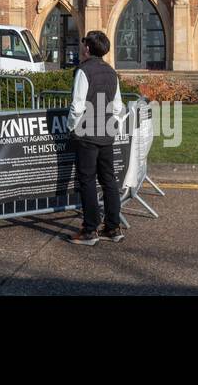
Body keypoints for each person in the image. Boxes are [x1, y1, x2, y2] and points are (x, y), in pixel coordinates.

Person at [66, 30, 126, 246]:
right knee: (109, 180)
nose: (81, 48)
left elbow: (77, 105)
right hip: (107, 133)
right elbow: (118, 106)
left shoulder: (83, 71)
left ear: (88, 48)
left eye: (83, 45)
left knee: (88, 180)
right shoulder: (111, 72)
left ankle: (90, 230)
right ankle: (113, 227)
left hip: (87, 133)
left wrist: (71, 126)